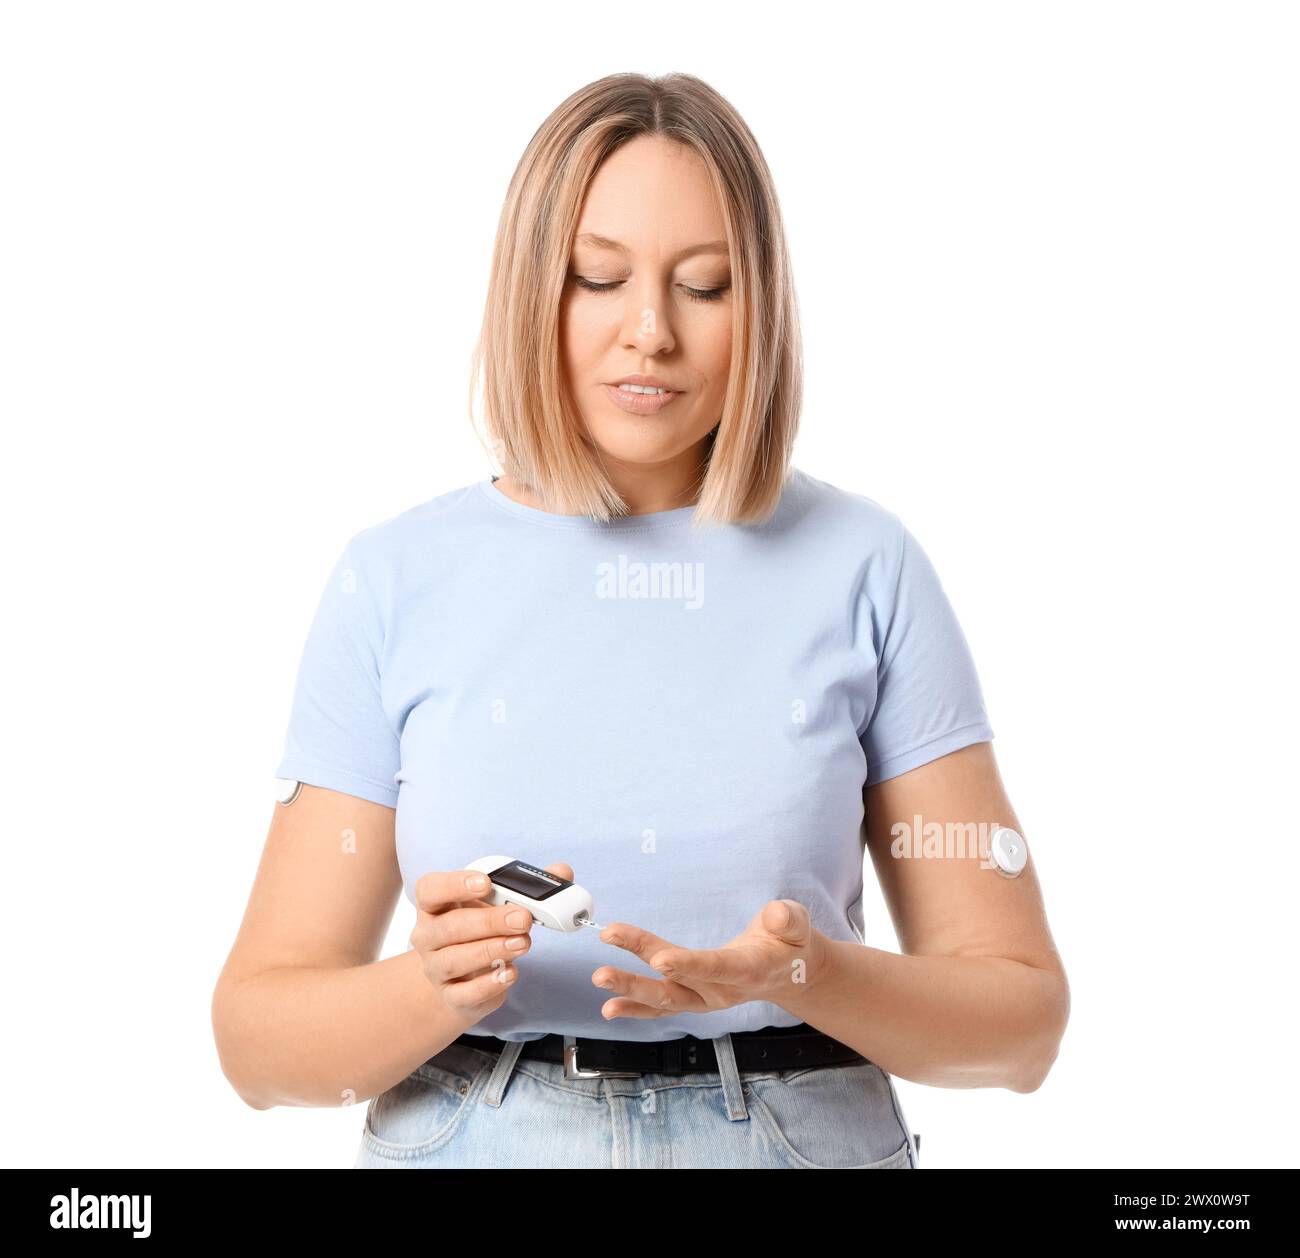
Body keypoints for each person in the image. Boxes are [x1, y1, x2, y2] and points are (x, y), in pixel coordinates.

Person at [211, 71, 1069, 1170]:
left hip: (795, 1135)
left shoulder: (867, 566)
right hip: (482, 1132)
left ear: (760, 300)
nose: (650, 333)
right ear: (532, 291)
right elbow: (256, 1046)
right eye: (597, 279)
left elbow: (1020, 1029)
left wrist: (811, 972)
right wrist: (424, 987)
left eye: (705, 286)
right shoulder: (394, 578)